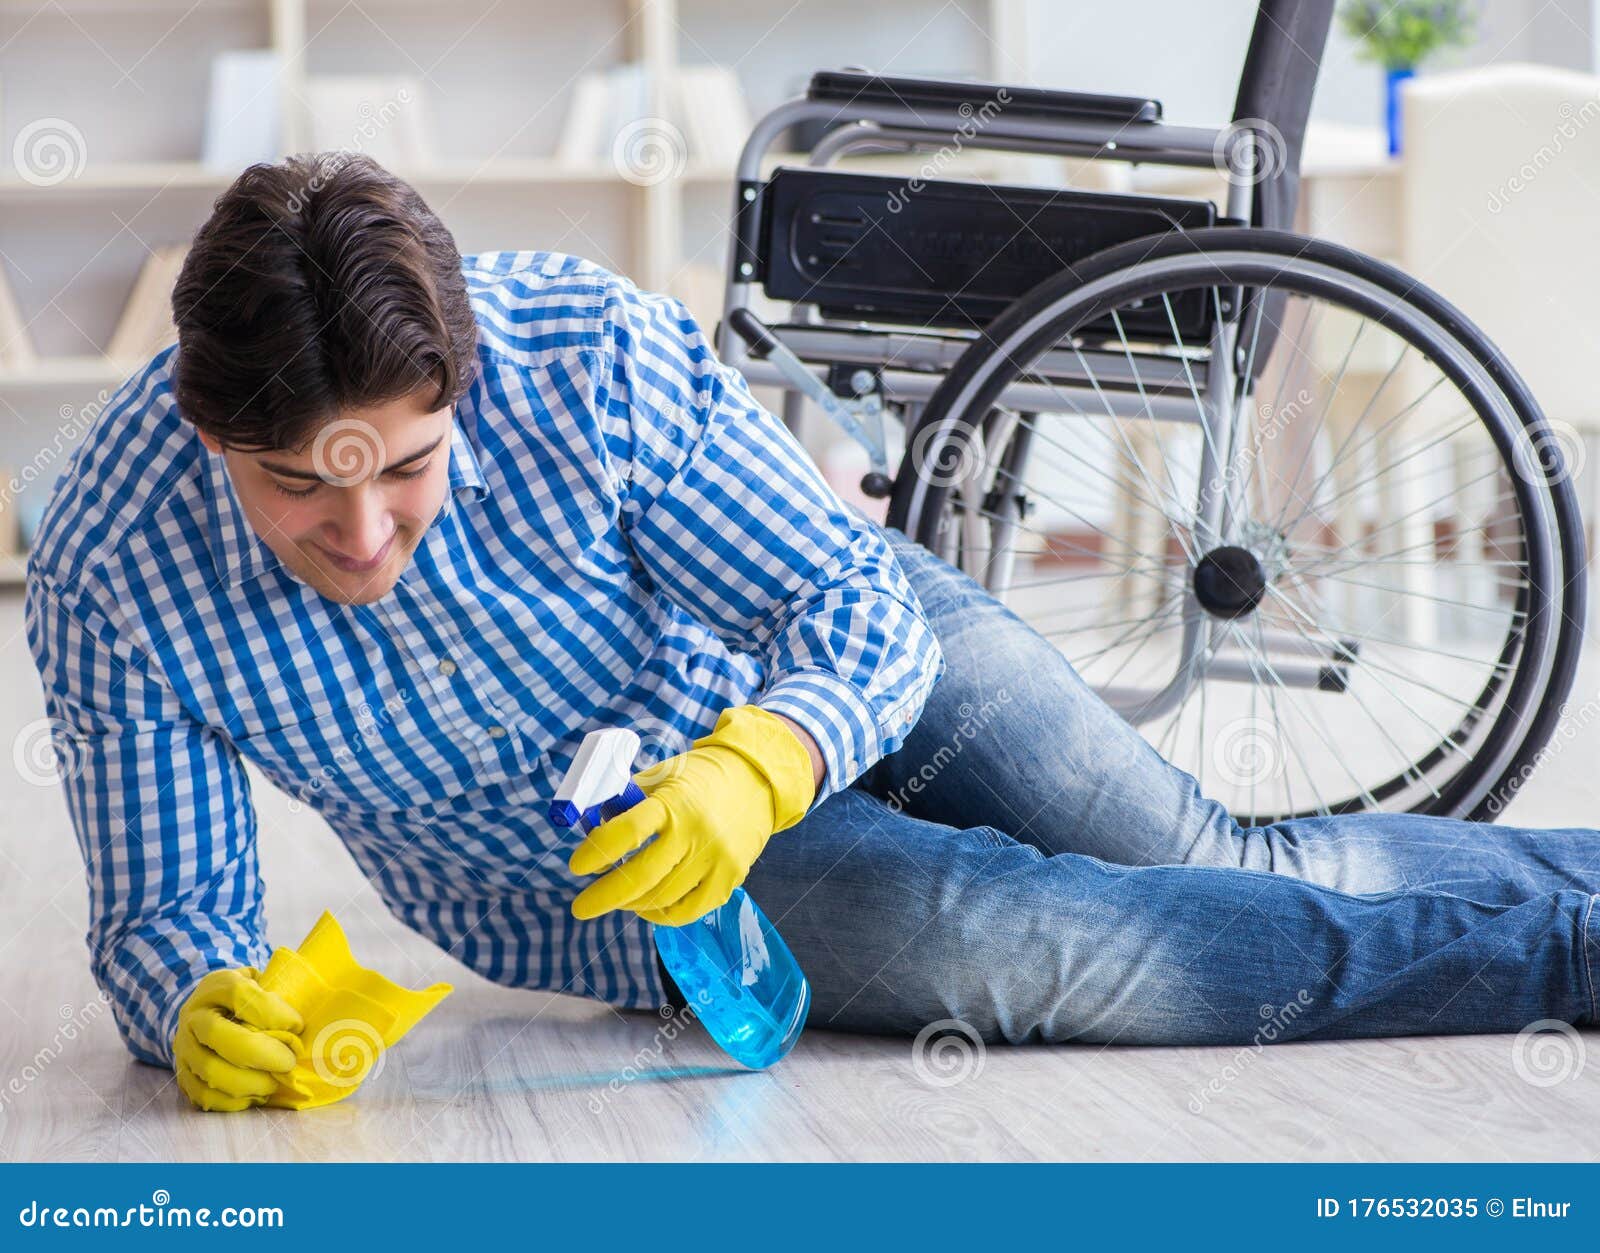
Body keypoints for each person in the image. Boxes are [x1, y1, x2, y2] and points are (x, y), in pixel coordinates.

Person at [27, 153, 1599, 1113]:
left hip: (839, 671)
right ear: (200, 422)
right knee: (1062, 945)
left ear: (462, 380)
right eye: (297, 488)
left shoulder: (575, 350)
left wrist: (759, 757)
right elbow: (172, 913)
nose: (358, 538)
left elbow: (840, 604)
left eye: (408, 472)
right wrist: (198, 1008)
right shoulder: (112, 559)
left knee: (1205, 857)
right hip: (645, 885)